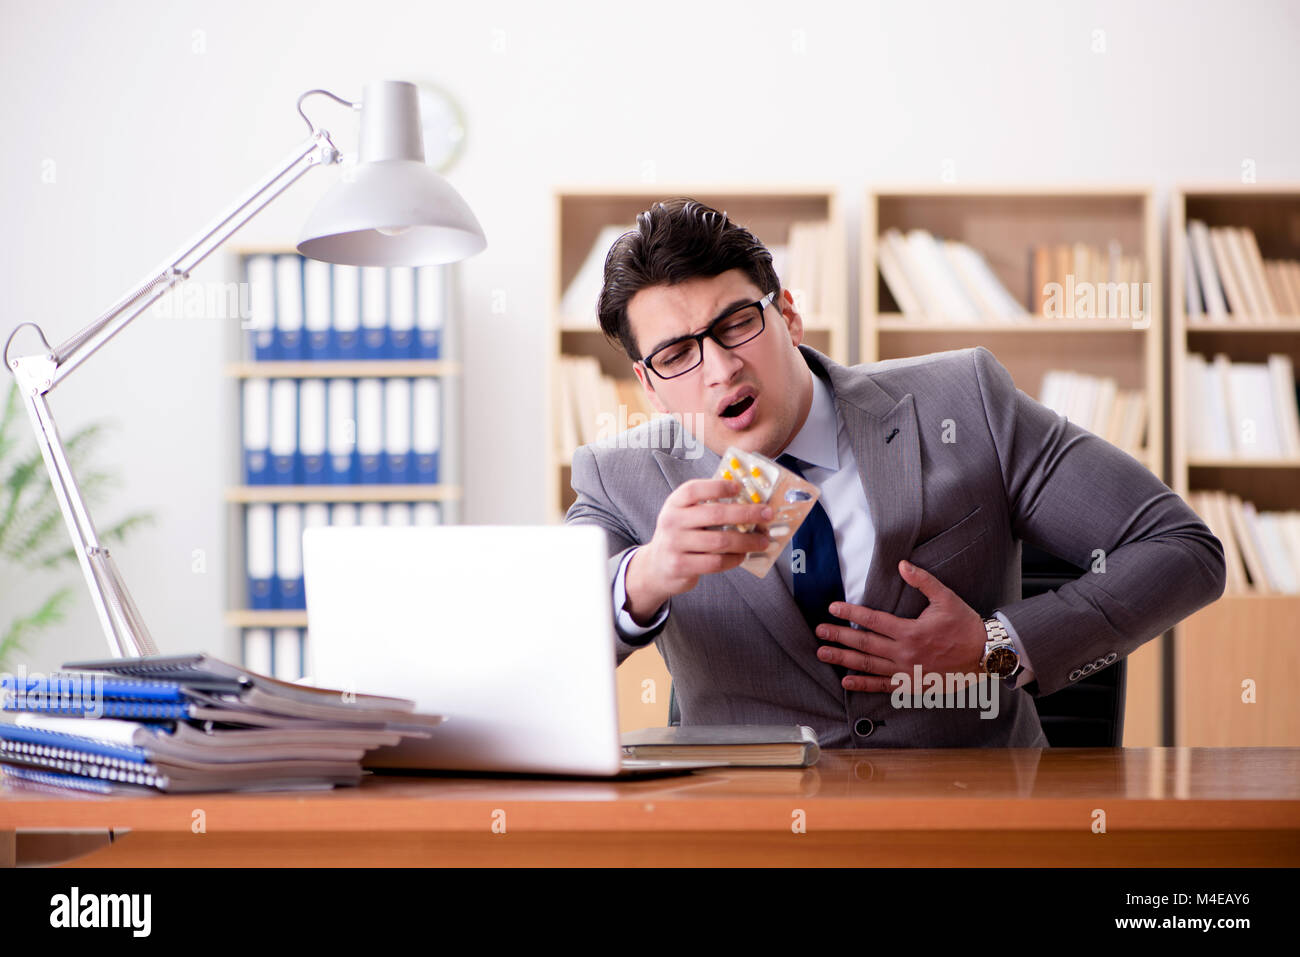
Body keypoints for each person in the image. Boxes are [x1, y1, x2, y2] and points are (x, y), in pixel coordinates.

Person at [564, 198, 1226, 747]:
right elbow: (548, 653)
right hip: (756, 838)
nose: (719, 369)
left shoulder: (965, 403)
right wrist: (646, 575)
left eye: (737, 323)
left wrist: (992, 646)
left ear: (788, 314)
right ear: (648, 387)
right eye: (678, 354)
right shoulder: (620, 476)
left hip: (973, 828)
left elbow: (1182, 550)